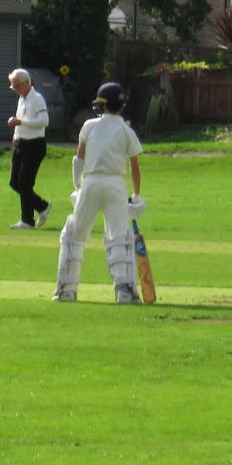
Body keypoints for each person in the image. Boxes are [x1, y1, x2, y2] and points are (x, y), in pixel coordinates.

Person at [54, 82, 144, 304]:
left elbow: (79, 159)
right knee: (119, 237)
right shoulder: (127, 130)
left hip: (91, 183)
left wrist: (78, 186)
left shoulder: (89, 126)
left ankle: (66, 289)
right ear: (121, 106)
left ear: (101, 105)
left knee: (74, 235)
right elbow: (134, 167)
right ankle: (124, 291)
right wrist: (137, 196)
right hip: (116, 186)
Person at [7, 68, 52, 230]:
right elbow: (21, 118)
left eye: (16, 86)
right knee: (14, 182)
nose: (15, 89)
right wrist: (15, 134)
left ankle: (27, 220)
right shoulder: (22, 99)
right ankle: (42, 206)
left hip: (34, 145)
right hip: (21, 143)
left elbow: (44, 121)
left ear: (26, 83)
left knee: (24, 183)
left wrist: (21, 123)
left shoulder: (37, 99)